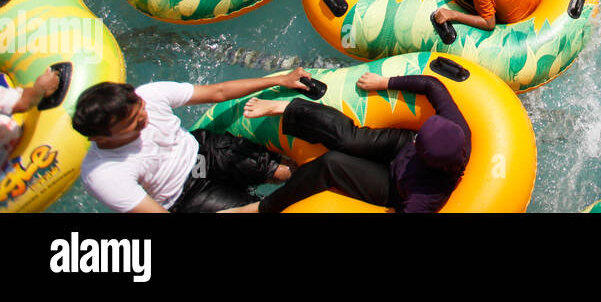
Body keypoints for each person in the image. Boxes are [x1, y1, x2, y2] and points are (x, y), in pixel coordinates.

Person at [71, 69, 310, 212]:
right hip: (184, 195)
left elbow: (218, 92)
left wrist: (280, 79)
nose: (145, 117)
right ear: (101, 137)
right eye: (135, 123)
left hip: (202, 155)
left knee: (283, 171)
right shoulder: (102, 173)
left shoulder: (149, 96)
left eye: (141, 109)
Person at [243, 68, 469, 214]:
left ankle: (262, 207)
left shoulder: (427, 195)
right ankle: (287, 108)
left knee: (331, 163)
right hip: (401, 146)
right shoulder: (457, 127)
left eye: (420, 142)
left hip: (393, 185)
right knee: (349, 139)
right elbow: (432, 85)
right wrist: (385, 81)